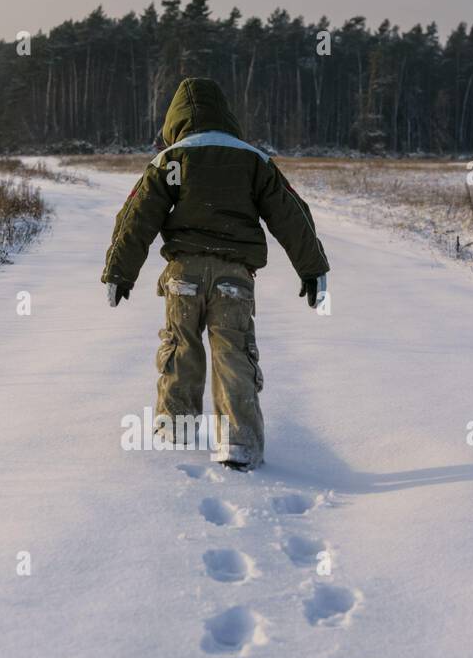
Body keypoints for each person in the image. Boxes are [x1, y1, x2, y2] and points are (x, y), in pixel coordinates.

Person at [101, 77, 330, 470]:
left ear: (176, 119)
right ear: (225, 115)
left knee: (181, 345)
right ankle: (239, 442)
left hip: (183, 275)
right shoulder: (253, 160)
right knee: (233, 352)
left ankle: (177, 427)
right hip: (233, 277)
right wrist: (312, 268)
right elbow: (290, 213)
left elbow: (137, 216)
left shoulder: (171, 159)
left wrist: (119, 271)